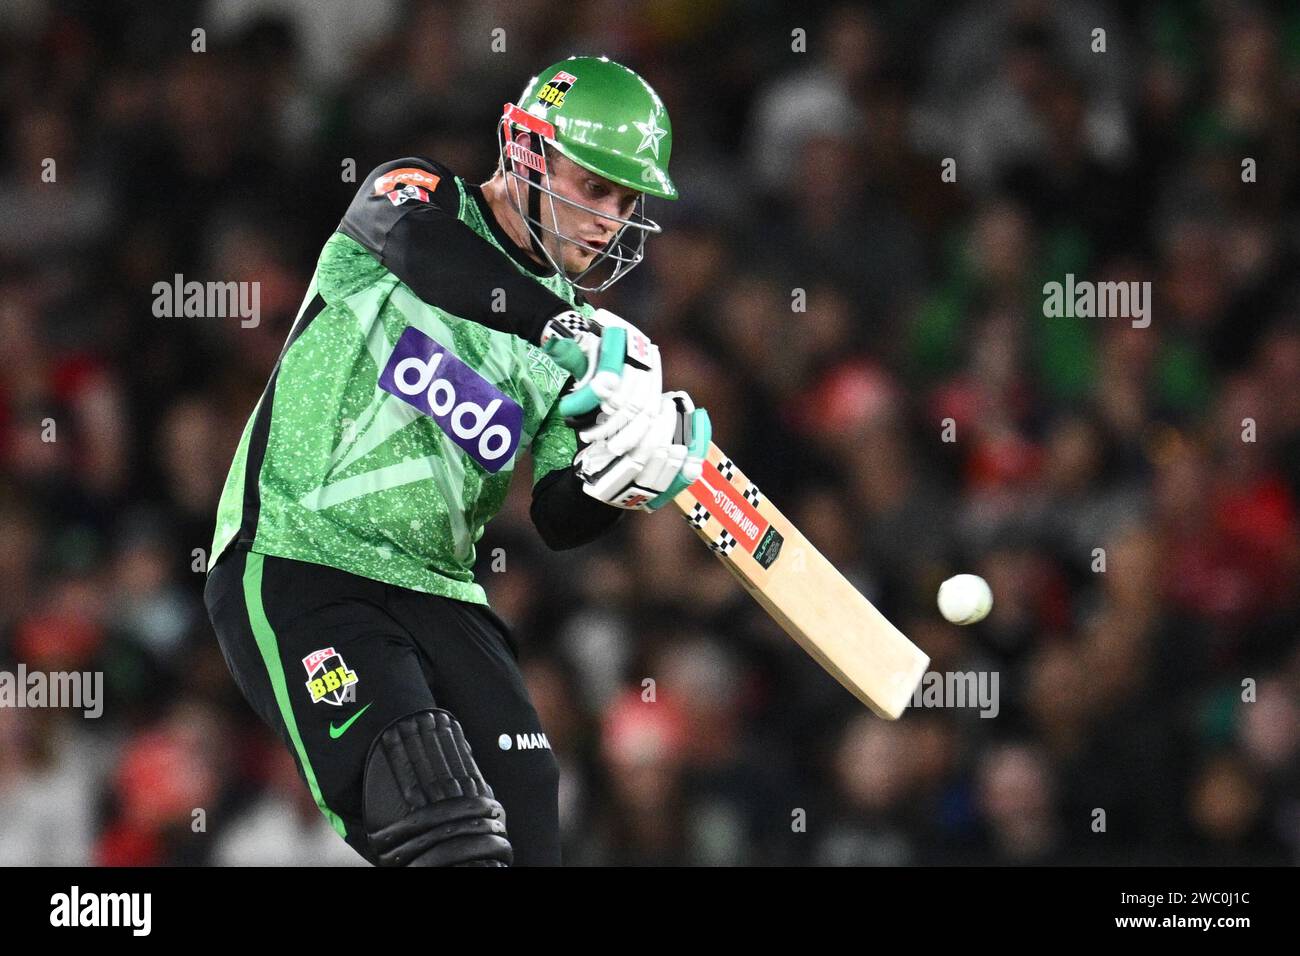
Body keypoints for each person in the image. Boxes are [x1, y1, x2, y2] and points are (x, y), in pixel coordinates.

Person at [203, 56, 708, 866]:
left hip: (443, 593)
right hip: (303, 557)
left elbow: (556, 516)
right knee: (440, 819)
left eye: (625, 199)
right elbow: (431, 256)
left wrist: (619, 481)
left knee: (531, 822)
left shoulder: (572, 345)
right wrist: (566, 332)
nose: (609, 219)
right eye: (594, 185)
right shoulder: (416, 196)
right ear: (528, 152)